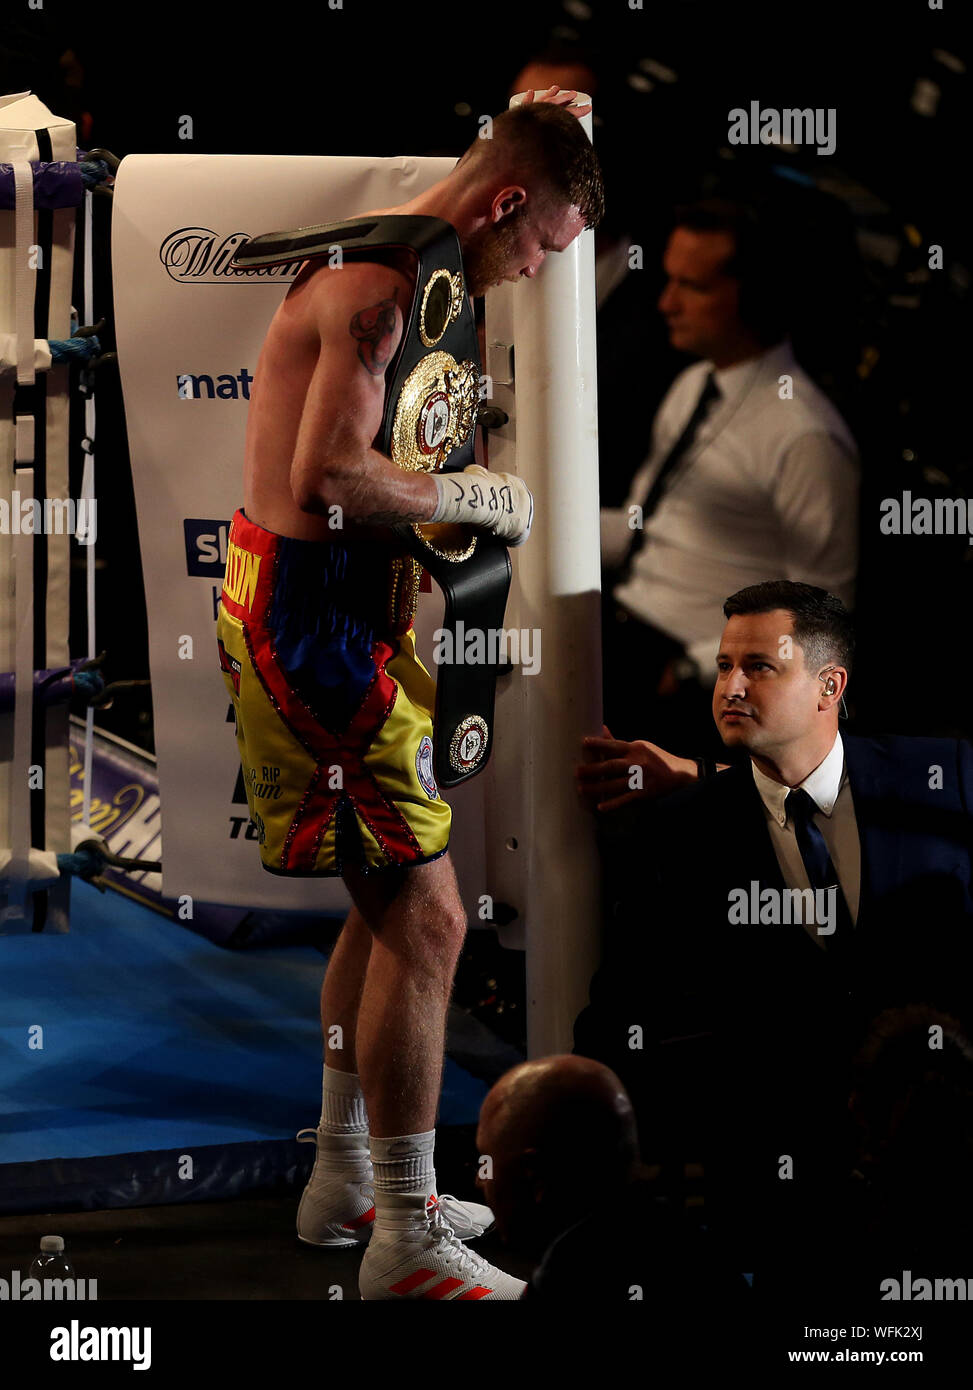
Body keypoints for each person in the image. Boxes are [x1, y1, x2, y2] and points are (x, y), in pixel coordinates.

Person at [216, 90, 604, 1301]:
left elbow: (372, 465)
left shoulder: (422, 270)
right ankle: (405, 1231)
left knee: (388, 907)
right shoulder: (383, 292)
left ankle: (347, 1179)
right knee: (432, 920)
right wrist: (464, 500)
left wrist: (426, 516)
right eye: (538, 249)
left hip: (323, 609)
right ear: (504, 206)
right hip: (305, 627)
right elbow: (325, 471)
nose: (532, 273)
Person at [574, 581, 973, 1270]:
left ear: (828, 686)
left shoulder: (945, 776)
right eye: (725, 665)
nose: (730, 685)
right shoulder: (677, 832)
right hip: (775, 1189)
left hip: (946, 1160)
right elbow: (618, 1012)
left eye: (758, 667)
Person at [599, 199, 859, 750]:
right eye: (667, 281)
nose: (666, 303)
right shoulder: (694, 383)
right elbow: (640, 529)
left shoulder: (806, 436)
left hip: (693, 678)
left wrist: (698, 669)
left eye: (691, 287)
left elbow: (825, 612)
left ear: (754, 296)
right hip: (622, 630)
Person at [474, 1055, 750, 1307]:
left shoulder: (573, 1280)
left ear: (530, 1172)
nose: (479, 1180)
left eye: (487, 1160)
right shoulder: (695, 1250)